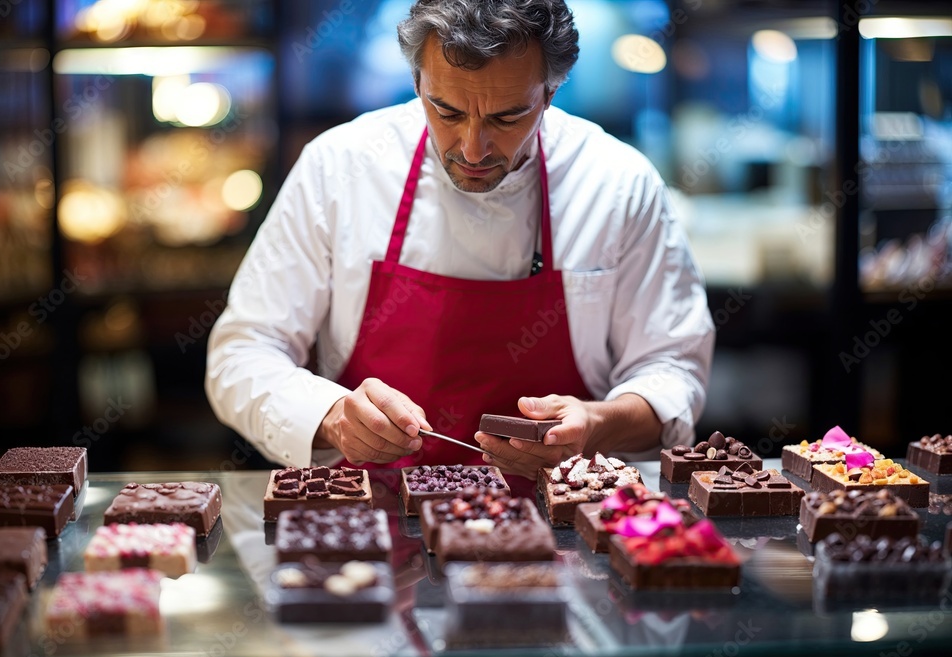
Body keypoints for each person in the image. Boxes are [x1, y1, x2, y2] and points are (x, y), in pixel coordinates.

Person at [205, 0, 715, 487]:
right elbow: (243, 353)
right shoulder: (340, 167)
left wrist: (598, 424)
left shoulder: (617, 183)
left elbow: (672, 367)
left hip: (566, 527)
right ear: (416, 81)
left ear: (550, 92)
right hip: (371, 529)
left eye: (507, 117)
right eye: (446, 111)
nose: (473, 148)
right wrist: (331, 415)